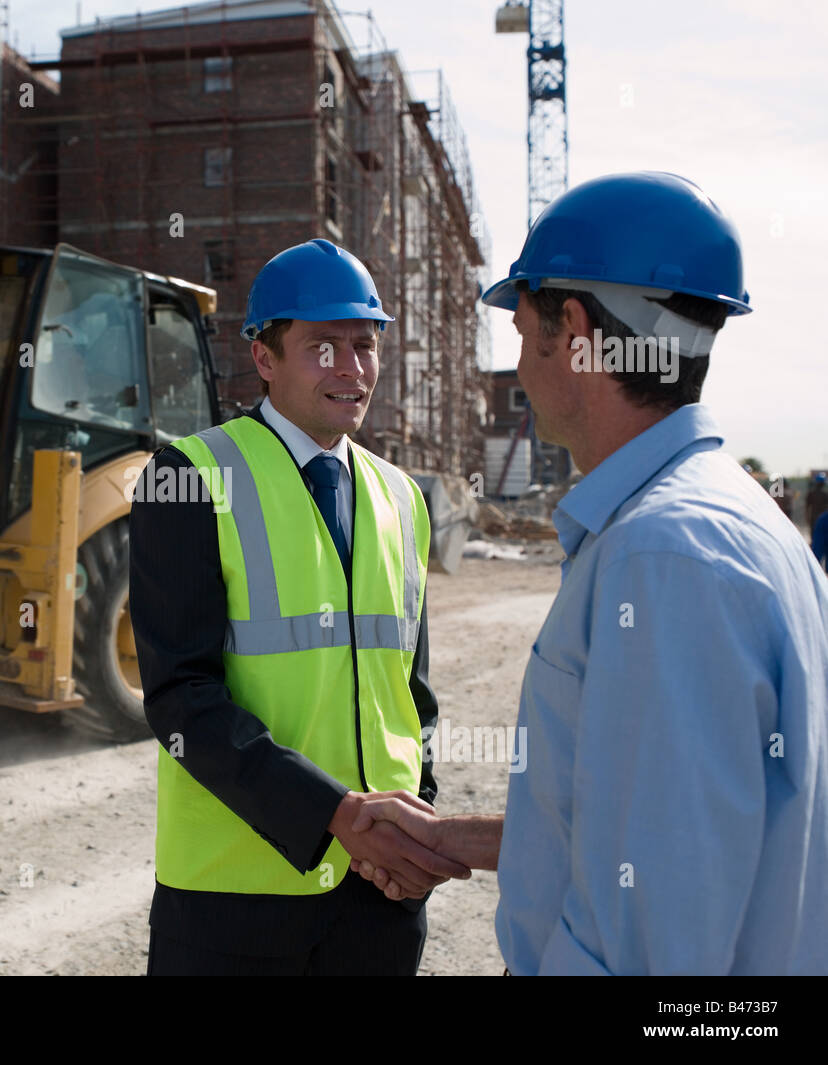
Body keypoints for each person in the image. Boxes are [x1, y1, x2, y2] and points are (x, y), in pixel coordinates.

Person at [352, 172, 828, 974]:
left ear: (570, 328)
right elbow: (668, 828)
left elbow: (655, 943)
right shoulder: (740, 525)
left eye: (520, 325)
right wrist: (454, 838)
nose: (517, 362)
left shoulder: (665, 556)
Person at [129, 238, 469, 976]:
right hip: (235, 900)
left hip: (377, 897)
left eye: (364, 345)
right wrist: (333, 814)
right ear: (264, 358)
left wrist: (412, 823)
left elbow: (412, 696)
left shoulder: (402, 497)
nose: (351, 368)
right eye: (323, 346)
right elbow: (181, 699)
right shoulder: (187, 476)